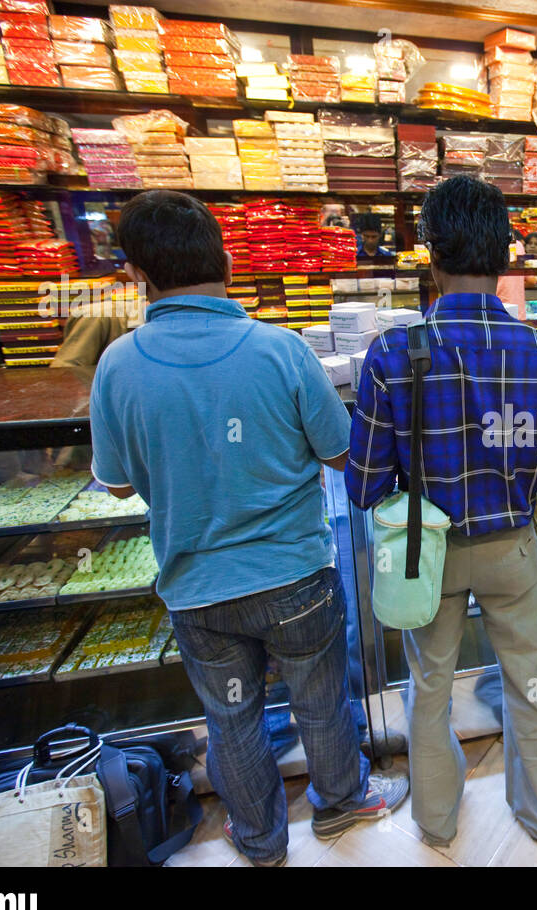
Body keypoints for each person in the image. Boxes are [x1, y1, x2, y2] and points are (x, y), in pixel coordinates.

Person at [88, 190, 406, 867]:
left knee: (232, 717)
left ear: (141, 275)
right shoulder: (280, 350)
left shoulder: (117, 364)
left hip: (197, 586)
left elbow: (114, 480)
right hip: (295, 576)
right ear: (225, 260)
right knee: (320, 700)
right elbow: (342, 453)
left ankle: (259, 837)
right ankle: (342, 803)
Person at [347, 175, 537, 846]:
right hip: (512, 546)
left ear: (431, 257)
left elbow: (365, 486)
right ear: (507, 257)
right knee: (528, 678)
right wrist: (521, 460)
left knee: (429, 690)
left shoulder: (392, 353)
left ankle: (436, 821)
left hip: (427, 553)